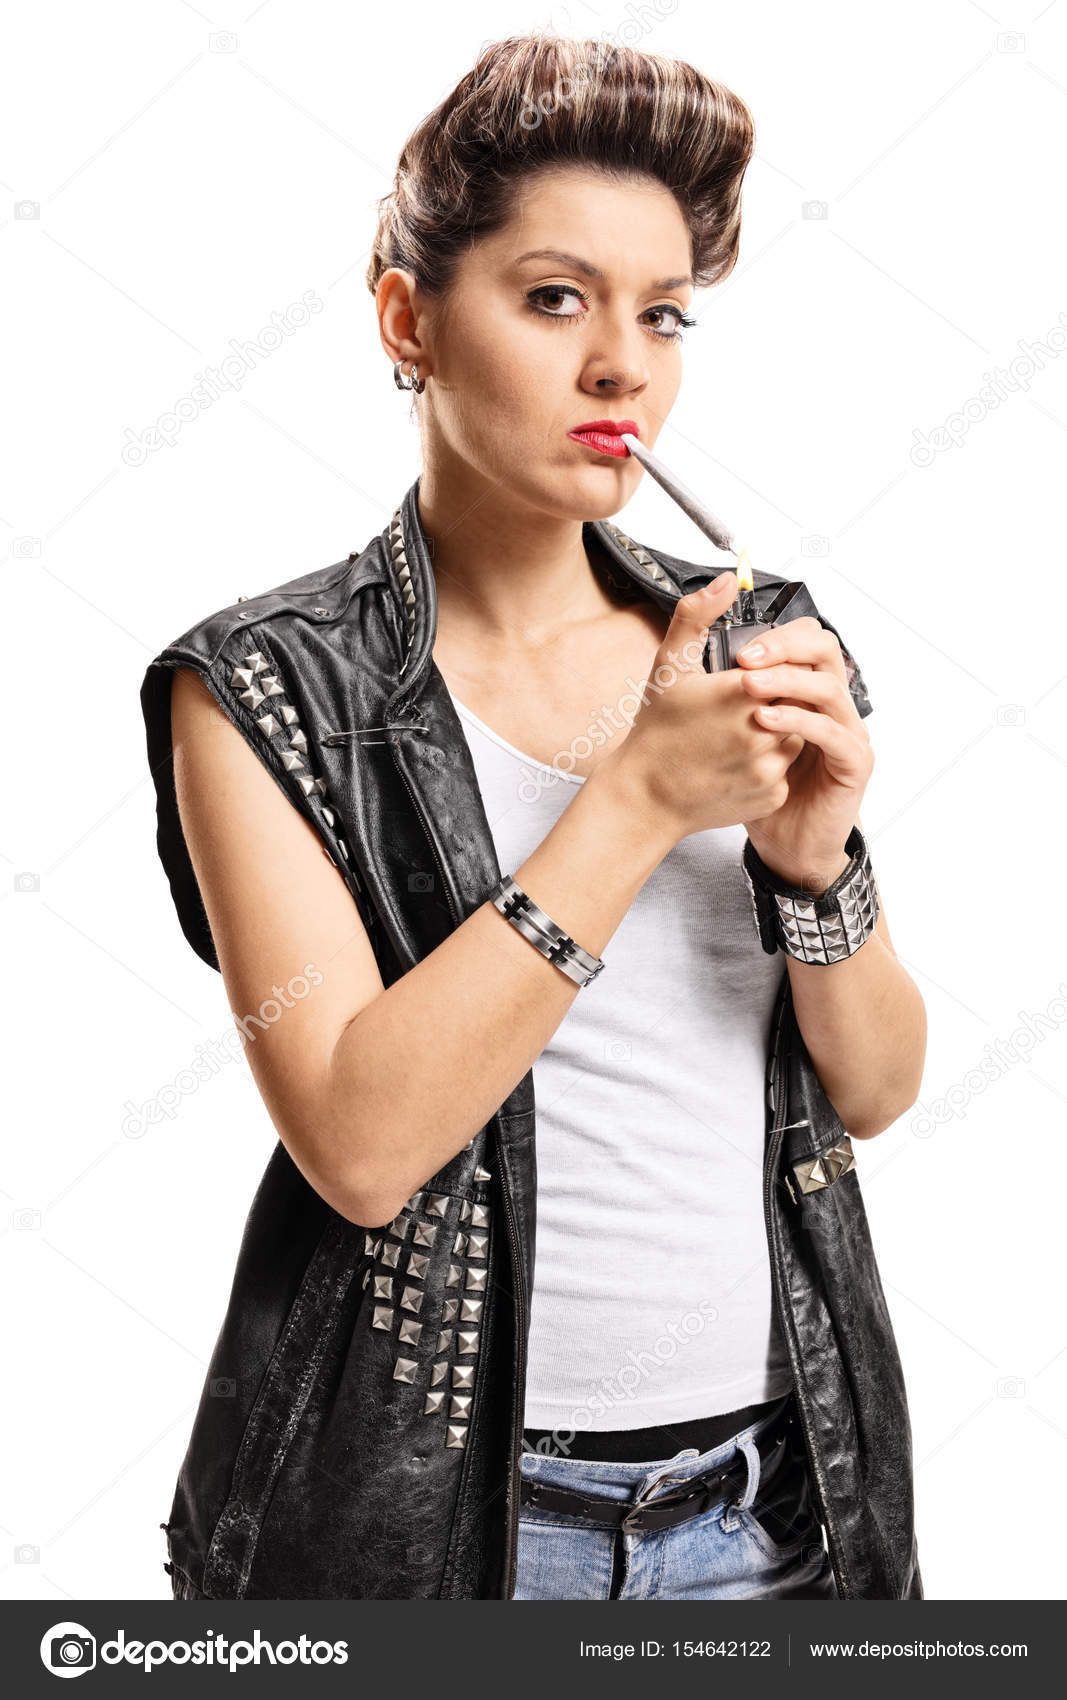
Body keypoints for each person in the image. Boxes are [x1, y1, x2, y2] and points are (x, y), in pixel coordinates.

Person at [141, 34, 926, 1601]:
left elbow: (880, 1087)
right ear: (409, 319)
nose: (623, 366)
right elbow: (361, 1147)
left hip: (778, 1509)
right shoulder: (264, 688)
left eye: (664, 314)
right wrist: (634, 801)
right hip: (446, 1535)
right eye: (557, 299)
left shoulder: (744, 635)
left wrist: (812, 860)